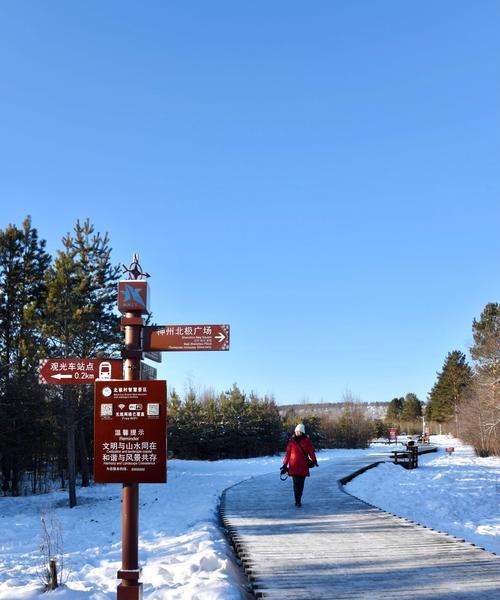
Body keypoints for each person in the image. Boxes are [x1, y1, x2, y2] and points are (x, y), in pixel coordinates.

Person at [280, 423, 318, 507]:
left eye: (299, 431)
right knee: (296, 484)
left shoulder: (307, 441)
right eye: (296, 431)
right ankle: (297, 500)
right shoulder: (291, 441)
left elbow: (311, 452)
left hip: (303, 466)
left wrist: (314, 460)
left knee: (301, 485)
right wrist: (284, 464)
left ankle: (299, 499)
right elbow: (288, 454)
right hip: (293, 466)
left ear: (302, 432)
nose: (297, 432)